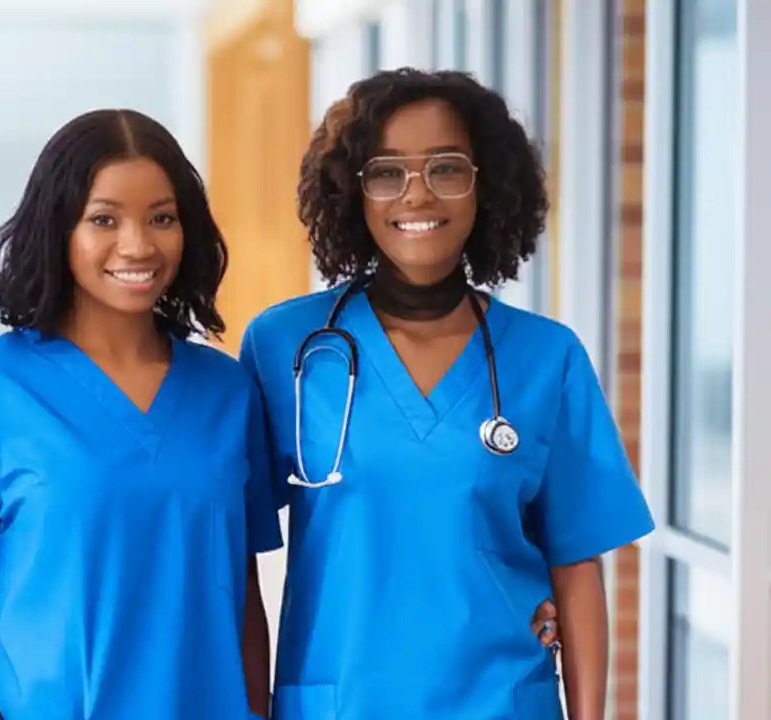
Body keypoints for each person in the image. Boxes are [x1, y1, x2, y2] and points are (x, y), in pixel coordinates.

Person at [239, 68, 654, 719]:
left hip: (499, 701)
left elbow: (576, 565)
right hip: (341, 700)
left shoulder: (547, 357)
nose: (418, 195)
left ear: (486, 184)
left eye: (446, 168)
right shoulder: (284, 345)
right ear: (353, 191)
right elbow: (230, 552)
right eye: (386, 172)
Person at [0, 108, 283, 719]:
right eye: (103, 219)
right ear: (59, 229)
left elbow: (240, 595)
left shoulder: (227, 391)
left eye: (162, 218)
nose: (137, 244)